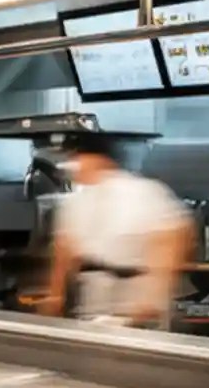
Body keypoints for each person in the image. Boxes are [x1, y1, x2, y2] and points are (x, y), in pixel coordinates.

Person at [39, 133, 192, 329]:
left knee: (138, 355)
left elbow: (175, 236)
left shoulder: (142, 192)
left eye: (78, 159)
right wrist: (56, 295)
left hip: (136, 296)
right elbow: (65, 248)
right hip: (94, 298)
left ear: (100, 159)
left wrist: (155, 293)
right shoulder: (76, 201)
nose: (74, 166)